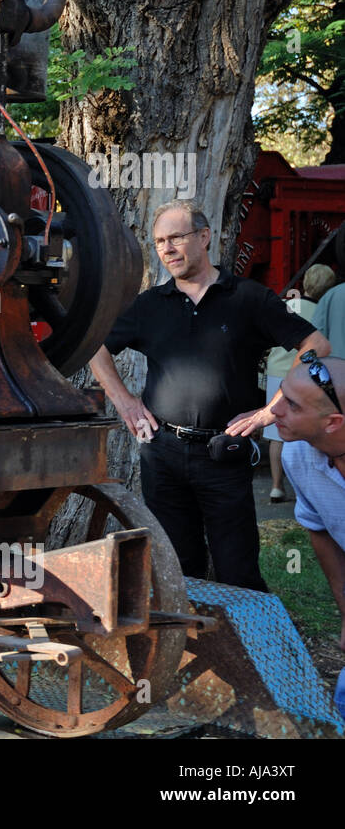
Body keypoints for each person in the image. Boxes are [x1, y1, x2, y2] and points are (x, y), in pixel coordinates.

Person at [89, 201, 330, 590]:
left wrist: (273, 408)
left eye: (176, 238)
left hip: (224, 452)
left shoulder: (248, 298)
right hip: (162, 454)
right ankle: (188, 648)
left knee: (238, 570)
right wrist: (124, 401)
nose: (167, 249)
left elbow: (315, 345)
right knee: (175, 571)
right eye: (159, 241)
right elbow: (95, 345)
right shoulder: (149, 305)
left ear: (204, 238)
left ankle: (250, 646)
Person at [267, 353, 345, 718]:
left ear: (332, 423)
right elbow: (321, 533)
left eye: (291, 405)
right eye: (280, 394)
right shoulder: (297, 455)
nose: (274, 409)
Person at [267, 264, 336, 501]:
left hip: (276, 371)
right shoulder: (323, 312)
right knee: (304, 433)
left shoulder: (289, 304)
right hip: (303, 377)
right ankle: (304, 489)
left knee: (276, 433)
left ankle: (276, 486)